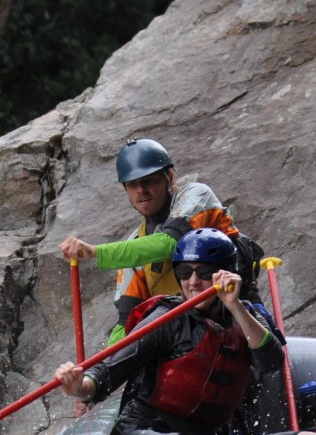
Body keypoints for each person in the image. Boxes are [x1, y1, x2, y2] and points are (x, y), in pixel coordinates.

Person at [55, 228, 316, 435]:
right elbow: (108, 371)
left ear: (226, 274)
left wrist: (235, 306)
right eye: (185, 272)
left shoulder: (246, 315)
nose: (193, 282)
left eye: (205, 273)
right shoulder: (168, 317)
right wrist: (80, 386)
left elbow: (271, 361)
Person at [59, 138, 263, 344]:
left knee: (269, 355)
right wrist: (100, 369)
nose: (141, 190)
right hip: (185, 336)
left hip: (237, 310)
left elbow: (168, 243)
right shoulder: (136, 246)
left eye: (149, 180)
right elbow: (125, 323)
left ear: (169, 177)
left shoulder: (196, 195)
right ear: (126, 190)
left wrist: (95, 252)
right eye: (133, 184)